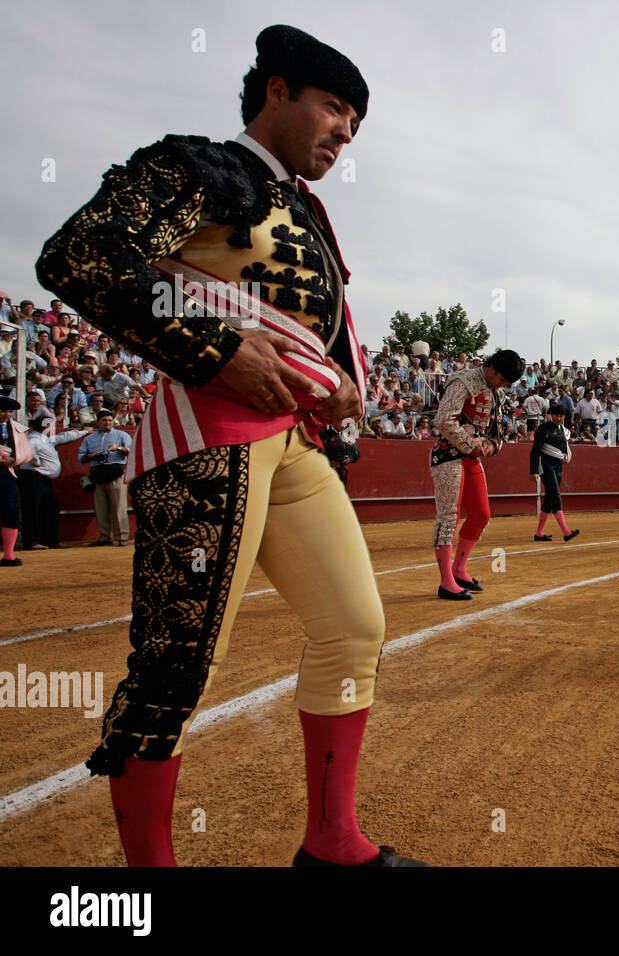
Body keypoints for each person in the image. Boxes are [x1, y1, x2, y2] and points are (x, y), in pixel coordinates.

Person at [37, 25, 426, 867]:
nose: (346, 134)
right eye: (334, 109)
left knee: (354, 626)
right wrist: (212, 350)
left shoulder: (305, 214)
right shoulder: (197, 168)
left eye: (356, 123)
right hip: (205, 435)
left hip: (292, 441)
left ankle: (333, 842)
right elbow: (78, 253)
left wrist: (340, 381)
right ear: (276, 93)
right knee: (178, 665)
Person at [430, 349, 524, 600]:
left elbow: (499, 426)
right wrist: (473, 444)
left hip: (471, 459)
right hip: (448, 456)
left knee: (481, 515)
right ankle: (446, 582)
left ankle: (459, 569)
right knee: (449, 518)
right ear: (492, 368)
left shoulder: (495, 390)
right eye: (502, 380)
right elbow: (443, 420)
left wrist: (493, 444)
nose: (503, 386)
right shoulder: (463, 381)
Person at [19, 415, 88, 550]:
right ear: (45, 426)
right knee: (33, 510)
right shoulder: (33, 439)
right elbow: (29, 451)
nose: (54, 428)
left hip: (43, 479)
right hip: (33, 477)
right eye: (52, 425)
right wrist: (36, 461)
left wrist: (84, 431)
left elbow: (64, 437)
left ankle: (51, 540)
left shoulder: (45, 439)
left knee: (50, 509)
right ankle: (31, 541)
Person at [77, 408, 133, 546]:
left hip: (116, 472)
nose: (107, 423)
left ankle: (122, 537)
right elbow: (80, 457)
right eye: (104, 421)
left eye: (109, 420)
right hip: (97, 473)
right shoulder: (89, 439)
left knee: (119, 506)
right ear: (98, 422)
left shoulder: (122, 435)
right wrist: (91, 455)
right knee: (100, 507)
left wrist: (118, 448)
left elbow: (131, 451)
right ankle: (105, 536)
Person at [530, 402, 578, 542]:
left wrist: (565, 457)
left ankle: (539, 533)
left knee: (550, 499)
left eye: (561, 416)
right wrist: (534, 471)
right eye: (556, 415)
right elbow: (536, 451)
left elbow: (565, 447)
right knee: (555, 495)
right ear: (551, 415)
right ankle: (566, 531)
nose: (558, 418)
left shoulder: (564, 430)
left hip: (557, 466)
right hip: (546, 466)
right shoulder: (543, 429)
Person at [0, 395, 34, 566]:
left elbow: (26, 452)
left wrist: (13, 460)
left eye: (9, 411)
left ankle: (8, 555)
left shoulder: (16, 429)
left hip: (7, 472)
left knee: (11, 510)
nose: (6, 414)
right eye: (3, 411)